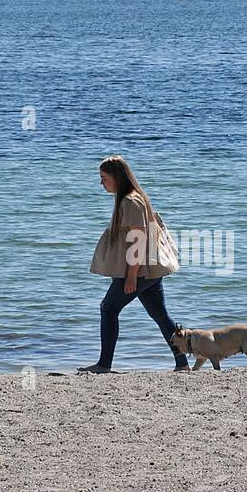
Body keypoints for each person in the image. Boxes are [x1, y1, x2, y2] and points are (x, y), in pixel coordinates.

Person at [79, 156, 188, 373]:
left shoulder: (130, 201)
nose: (101, 183)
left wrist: (131, 275)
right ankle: (182, 363)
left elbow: (138, 239)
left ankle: (104, 364)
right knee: (160, 315)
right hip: (149, 270)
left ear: (117, 178)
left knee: (108, 309)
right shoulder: (131, 199)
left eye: (104, 178)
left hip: (139, 271)